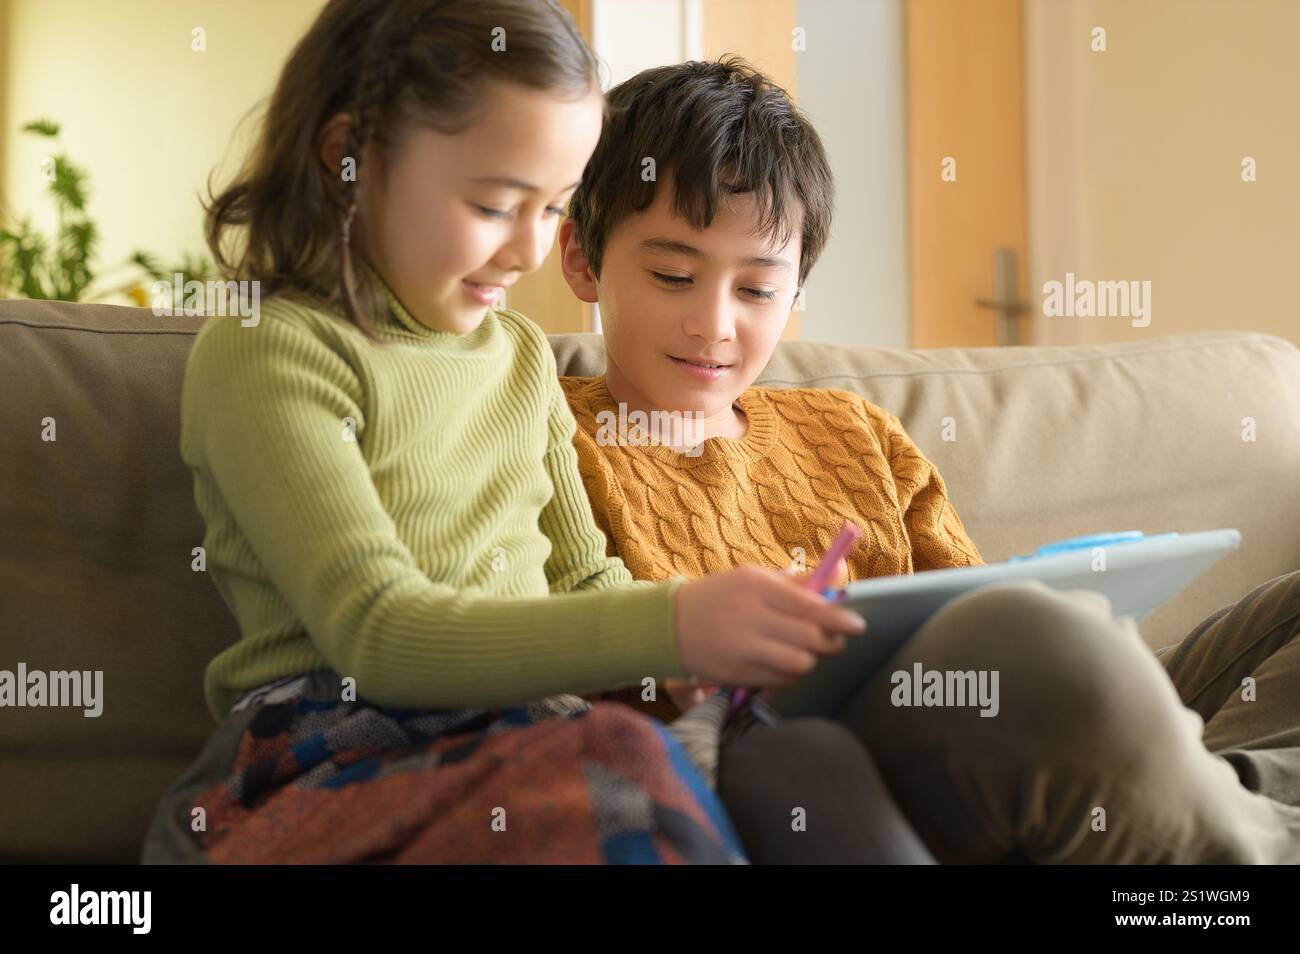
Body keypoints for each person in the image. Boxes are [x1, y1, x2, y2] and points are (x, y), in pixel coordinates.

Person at [139, 0, 869, 865]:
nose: (529, 251)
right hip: (332, 749)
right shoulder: (272, 352)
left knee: (802, 763)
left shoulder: (518, 356)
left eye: (554, 207)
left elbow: (583, 579)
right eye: (495, 204)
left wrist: (706, 659)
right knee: (617, 757)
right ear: (347, 161)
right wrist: (675, 623)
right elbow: (380, 634)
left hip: (532, 738)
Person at [556, 56, 1300, 863]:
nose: (713, 325)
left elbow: (969, 600)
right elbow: (553, 669)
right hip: (843, 773)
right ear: (583, 260)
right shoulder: (544, 432)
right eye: (673, 274)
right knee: (1037, 641)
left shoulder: (853, 430)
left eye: (758, 290)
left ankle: (1208, 798)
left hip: (1013, 726)